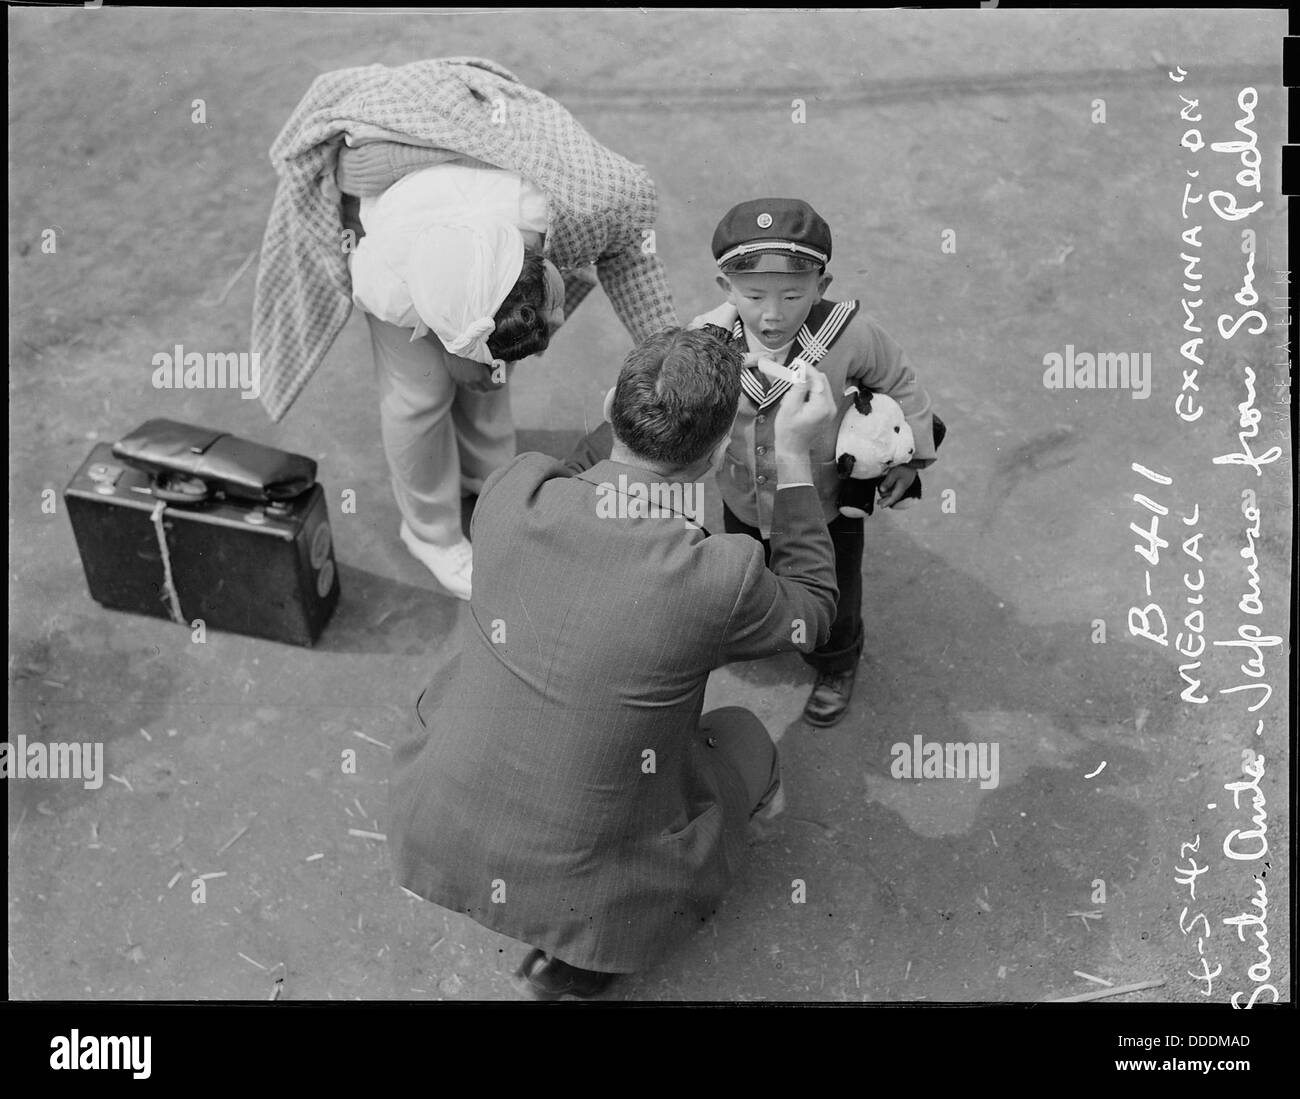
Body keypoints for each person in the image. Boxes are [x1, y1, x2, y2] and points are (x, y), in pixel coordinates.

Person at [387, 328, 839, 999]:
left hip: (430, 822)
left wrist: (660, 386)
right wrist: (797, 457)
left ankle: (574, 931)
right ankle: (589, 955)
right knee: (744, 734)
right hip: (583, 878)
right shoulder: (718, 576)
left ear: (611, 405)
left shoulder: (513, 490)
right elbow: (815, 611)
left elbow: (584, 467)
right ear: (717, 455)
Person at [251, 57, 678, 599]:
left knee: (492, 378)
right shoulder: (384, 275)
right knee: (419, 395)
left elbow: (630, 251)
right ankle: (430, 532)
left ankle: (488, 476)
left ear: (537, 255)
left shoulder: (573, 201)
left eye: (548, 299)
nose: (556, 316)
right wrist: (462, 357)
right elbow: (460, 338)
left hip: (470, 156)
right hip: (396, 181)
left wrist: (671, 344)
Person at [692, 198, 939, 727]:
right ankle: (766, 625)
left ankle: (834, 661)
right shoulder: (711, 339)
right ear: (726, 290)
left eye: (793, 294)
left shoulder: (850, 336)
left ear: (822, 286)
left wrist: (911, 459)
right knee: (748, 568)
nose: (773, 313)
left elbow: (902, 382)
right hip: (742, 494)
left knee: (836, 594)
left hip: (825, 505)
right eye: (754, 295)